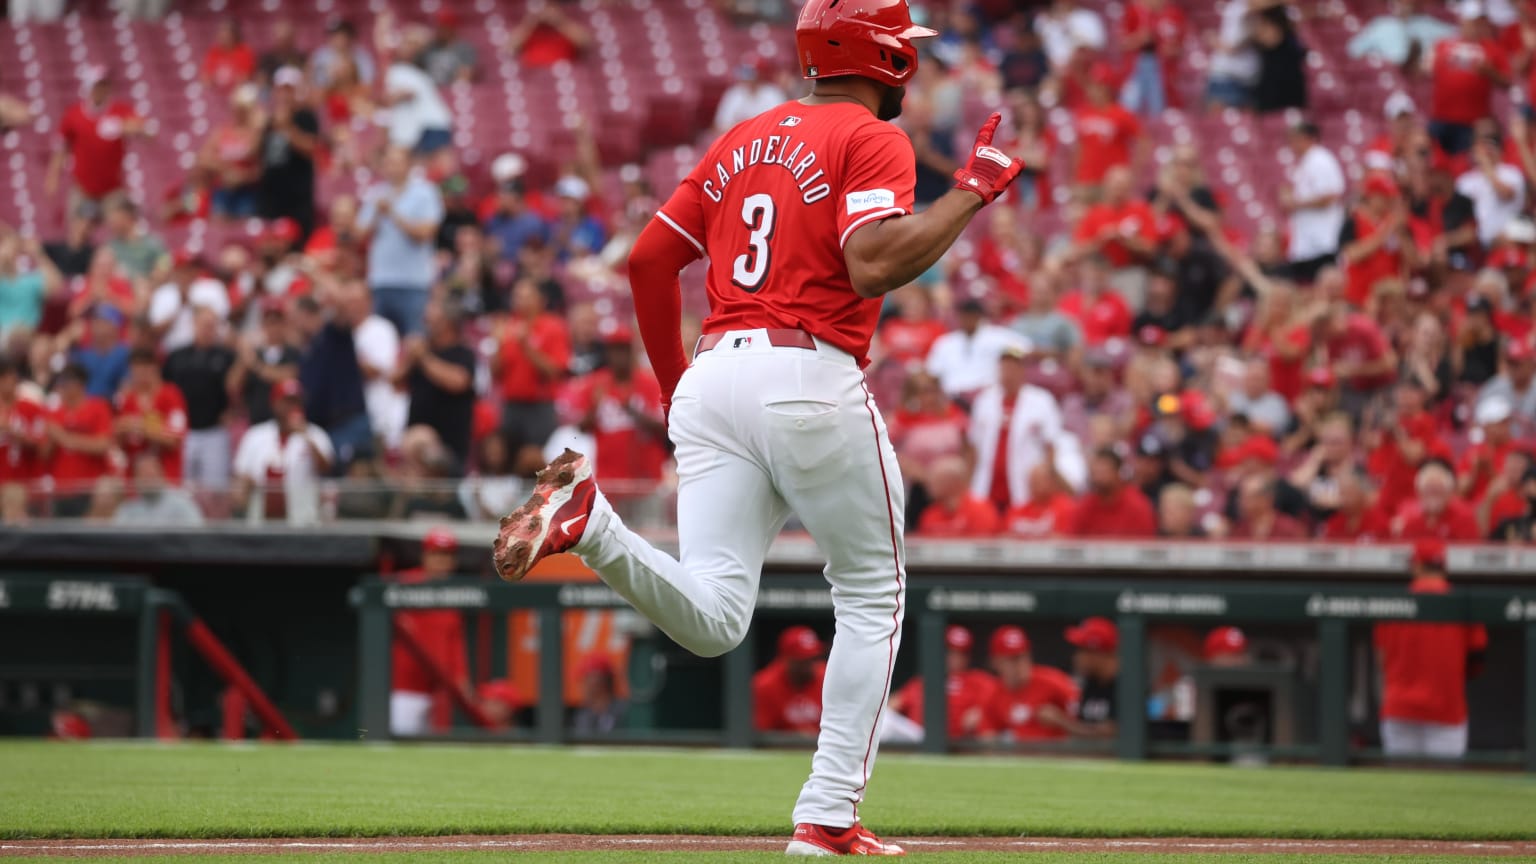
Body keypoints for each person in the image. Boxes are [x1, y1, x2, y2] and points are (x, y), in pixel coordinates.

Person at [490, 2, 1023, 855]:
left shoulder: (740, 137)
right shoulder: (869, 135)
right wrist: (973, 191)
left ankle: (593, 526)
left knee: (714, 620)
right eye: (902, 44)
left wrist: (675, 390)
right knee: (873, 595)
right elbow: (874, 261)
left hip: (713, 374)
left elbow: (647, 261)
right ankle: (828, 814)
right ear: (881, 53)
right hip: (805, 368)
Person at [1373, 538, 1486, 759]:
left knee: (1400, 790)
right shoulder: (1463, 602)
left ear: (1416, 566)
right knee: (1445, 789)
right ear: (1444, 567)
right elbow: (1477, 661)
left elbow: (1381, 659)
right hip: (1446, 709)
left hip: (1400, 707)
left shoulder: (1392, 603)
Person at [967, 346, 1081, 513]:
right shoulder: (984, 400)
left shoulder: (1041, 400)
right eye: (1005, 366)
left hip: (1024, 483)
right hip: (988, 483)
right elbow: (973, 445)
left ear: (1023, 370)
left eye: (1014, 367)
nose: (1008, 372)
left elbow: (1051, 445)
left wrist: (1044, 477)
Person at [357, 147, 445, 337]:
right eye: (388, 162)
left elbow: (425, 233)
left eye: (396, 162)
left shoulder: (425, 192)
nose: (391, 167)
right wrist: (376, 216)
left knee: (415, 340)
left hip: (413, 283)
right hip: (381, 281)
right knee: (378, 342)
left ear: (409, 165)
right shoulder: (376, 193)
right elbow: (359, 235)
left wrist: (393, 214)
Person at [389, 528, 468, 736]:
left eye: (447, 555)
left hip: (439, 693)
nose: (442, 561)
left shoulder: (454, 597)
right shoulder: (405, 583)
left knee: (433, 756)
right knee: (398, 752)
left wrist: (463, 685)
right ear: (425, 556)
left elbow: (455, 649)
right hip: (405, 689)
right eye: (436, 554)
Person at [46, 66, 147, 221]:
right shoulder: (74, 114)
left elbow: (146, 130)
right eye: (98, 85)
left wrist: (121, 125)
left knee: (121, 224)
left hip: (112, 189)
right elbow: (61, 147)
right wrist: (53, 177)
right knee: (76, 233)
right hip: (83, 188)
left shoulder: (119, 110)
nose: (102, 89)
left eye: (105, 85)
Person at [231, 379, 334, 525]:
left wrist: (306, 437)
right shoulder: (255, 435)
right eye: (287, 402)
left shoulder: (315, 434)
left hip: (302, 522)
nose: (292, 407)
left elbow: (326, 468)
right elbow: (240, 477)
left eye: (296, 402)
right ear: (274, 403)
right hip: (261, 521)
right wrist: (246, 485)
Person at [163, 308, 236, 495]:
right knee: (182, 490)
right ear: (193, 325)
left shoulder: (226, 357)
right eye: (204, 324)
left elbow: (236, 389)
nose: (207, 329)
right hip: (183, 433)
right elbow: (165, 389)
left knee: (215, 490)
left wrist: (232, 411)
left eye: (212, 325)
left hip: (214, 430)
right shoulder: (176, 356)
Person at [398, 300, 475, 469]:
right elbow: (395, 381)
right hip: (414, 440)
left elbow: (458, 382)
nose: (426, 322)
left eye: (432, 318)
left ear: (447, 322)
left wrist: (424, 358)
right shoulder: (421, 351)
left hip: (448, 445)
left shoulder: (463, 354)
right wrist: (411, 358)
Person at [888, 625, 999, 740]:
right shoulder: (929, 678)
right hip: (921, 736)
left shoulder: (979, 680)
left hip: (959, 739)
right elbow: (894, 703)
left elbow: (1001, 699)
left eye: (961, 653)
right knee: (885, 718)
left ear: (968, 656)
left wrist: (981, 711)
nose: (955, 658)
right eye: (951, 651)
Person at [982, 625, 1079, 742]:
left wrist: (1061, 720)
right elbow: (987, 740)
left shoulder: (1054, 681)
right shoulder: (992, 695)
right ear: (996, 662)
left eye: (1024, 656)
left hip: (1055, 756)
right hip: (1015, 758)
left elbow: (1083, 724)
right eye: (1013, 659)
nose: (1021, 664)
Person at [42, 364, 115, 518]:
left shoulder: (97, 407)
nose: (62, 387)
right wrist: (52, 438)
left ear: (80, 383)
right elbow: (44, 454)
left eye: (66, 382)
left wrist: (65, 438)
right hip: (61, 489)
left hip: (90, 488)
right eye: (60, 383)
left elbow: (103, 445)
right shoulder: (54, 413)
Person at [257, 68, 321, 238]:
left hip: (297, 198)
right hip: (271, 196)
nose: (284, 95)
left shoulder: (305, 117)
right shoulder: (269, 120)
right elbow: (259, 154)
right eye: (281, 90)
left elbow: (310, 148)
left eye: (289, 90)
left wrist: (286, 127)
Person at [924, 298, 1028, 401]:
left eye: (972, 315)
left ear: (979, 316)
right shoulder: (946, 342)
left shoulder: (996, 337)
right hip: (953, 397)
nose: (968, 319)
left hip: (986, 395)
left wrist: (1007, 354)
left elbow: (1025, 350)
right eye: (965, 316)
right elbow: (932, 372)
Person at [1281, 121, 1346, 283]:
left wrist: (1295, 203)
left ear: (1308, 138)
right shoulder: (1306, 162)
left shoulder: (1320, 159)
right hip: (1308, 242)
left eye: (1295, 139)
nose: (1292, 145)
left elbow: (1330, 195)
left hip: (1321, 241)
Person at [115, 350, 188, 486]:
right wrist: (120, 431)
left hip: (166, 479)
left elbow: (174, 439)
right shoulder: (127, 399)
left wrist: (140, 427)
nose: (141, 374)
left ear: (155, 368)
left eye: (145, 368)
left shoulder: (171, 395)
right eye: (136, 370)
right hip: (134, 483)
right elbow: (118, 441)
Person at [753, 626, 829, 736]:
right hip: (780, 751)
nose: (811, 665)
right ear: (787, 659)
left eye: (813, 658)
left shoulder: (827, 679)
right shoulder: (764, 685)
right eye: (804, 660)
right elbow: (760, 736)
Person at [1067, 447, 1158, 537]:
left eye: (1103, 471)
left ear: (1118, 472)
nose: (1098, 477)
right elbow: (1073, 542)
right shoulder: (1086, 505)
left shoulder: (1137, 505)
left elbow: (1146, 545)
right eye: (1095, 472)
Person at [0, 358, 46, 522]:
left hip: (22, 482)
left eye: (9, 376)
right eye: (3, 378)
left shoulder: (30, 408)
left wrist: (11, 430)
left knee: (13, 500)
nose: (7, 382)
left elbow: (42, 447)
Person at [914, 454, 1000, 536]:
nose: (930, 486)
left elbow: (984, 546)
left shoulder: (981, 511)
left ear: (953, 482)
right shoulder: (930, 515)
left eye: (936, 481)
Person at [1060, 617, 1118, 737]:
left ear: (1098, 653)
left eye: (1082, 650)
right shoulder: (1091, 683)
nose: (1076, 657)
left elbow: (1110, 733)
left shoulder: (1128, 686)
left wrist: (1060, 721)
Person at [715, 59, 790, 133]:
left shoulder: (773, 94)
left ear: (760, 76)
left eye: (750, 75)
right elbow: (721, 126)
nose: (747, 79)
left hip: (766, 137)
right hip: (740, 138)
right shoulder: (734, 93)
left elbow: (781, 123)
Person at [418, 10, 479, 86]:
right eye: (438, 28)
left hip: (451, 89)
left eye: (443, 28)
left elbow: (465, 75)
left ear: (451, 29)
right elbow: (417, 71)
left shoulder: (464, 49)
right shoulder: (430, 47)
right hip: (429, 88)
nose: (439, 31)